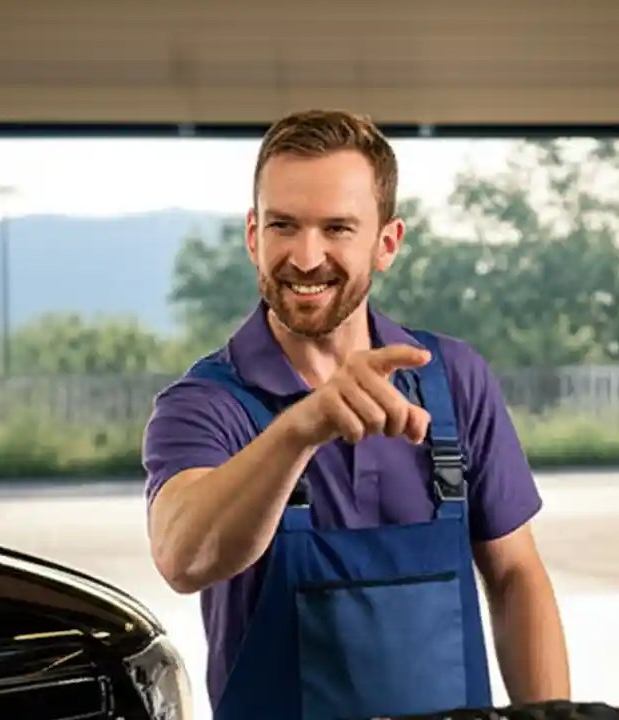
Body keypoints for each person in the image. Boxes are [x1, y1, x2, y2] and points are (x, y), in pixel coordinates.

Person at [143, 109, 571, 719]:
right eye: (283, 225)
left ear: (386, 243)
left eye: (338, 228)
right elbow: (183, 559)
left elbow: (515, 576)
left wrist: (554, 716)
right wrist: (301, 428)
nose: (306, 257)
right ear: (252, 236)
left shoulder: (453, 380)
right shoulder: (205, 405)